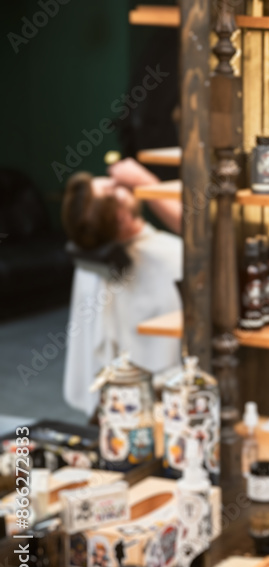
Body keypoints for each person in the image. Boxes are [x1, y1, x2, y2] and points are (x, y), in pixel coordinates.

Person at [62, 158, 183, 416]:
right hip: (162, 398)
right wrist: (146, 182)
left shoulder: (89, 266)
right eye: (113, 188)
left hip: (113, 399)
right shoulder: (173, 256)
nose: (120, 184)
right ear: (121, 215)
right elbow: (202, 229)